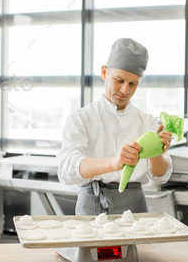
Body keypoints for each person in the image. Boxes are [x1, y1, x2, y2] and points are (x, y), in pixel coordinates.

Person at [57, 38, 173, 215]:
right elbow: (67, 170)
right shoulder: (81, 118)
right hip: (93, 203)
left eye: (133, 84)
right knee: (93, 244)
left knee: (132, 244)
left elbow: (161, 176)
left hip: (135, 207)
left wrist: (157, 153)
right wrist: (113, 162)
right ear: (104, 72)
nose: (125, 90)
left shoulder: (148, 122)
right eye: (119, 80)